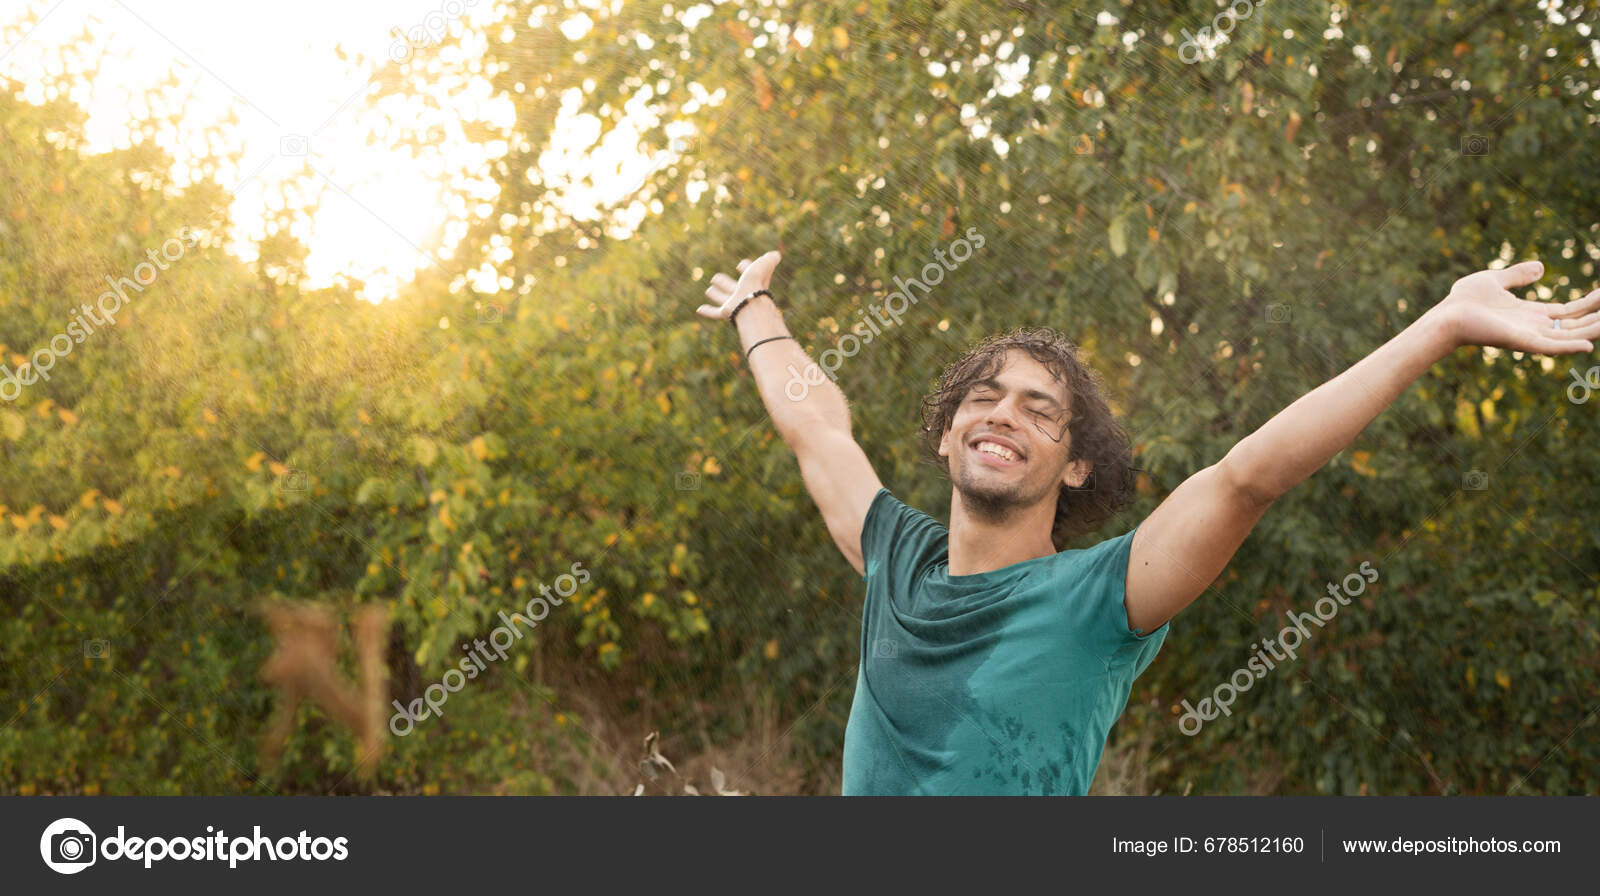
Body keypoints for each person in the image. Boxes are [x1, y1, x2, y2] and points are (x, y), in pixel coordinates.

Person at [697, 250, 1598, 795]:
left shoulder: (1102, 598)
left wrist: (1443, 324)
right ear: (947, 436)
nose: (1003, 414)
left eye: (1040, 410)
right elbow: (815, 422)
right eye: (984, 396)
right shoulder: (893, 555)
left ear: (1077, 463)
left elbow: (1247, 476)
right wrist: (753, 308)